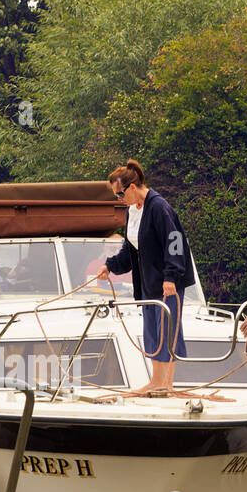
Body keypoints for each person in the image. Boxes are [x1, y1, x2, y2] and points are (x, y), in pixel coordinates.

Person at [96, 160, 192, 394]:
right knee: (151, 331)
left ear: (131, 188)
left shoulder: (159, 207)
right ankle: (156, 381)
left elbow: (176, 242)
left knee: (167, 330)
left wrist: (171, 277)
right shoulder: (132, 211)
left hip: (168, 282)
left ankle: (167, 384)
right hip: (149, 282)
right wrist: (110, 266)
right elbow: (131, 249)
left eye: (119, 195)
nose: (119, 200)